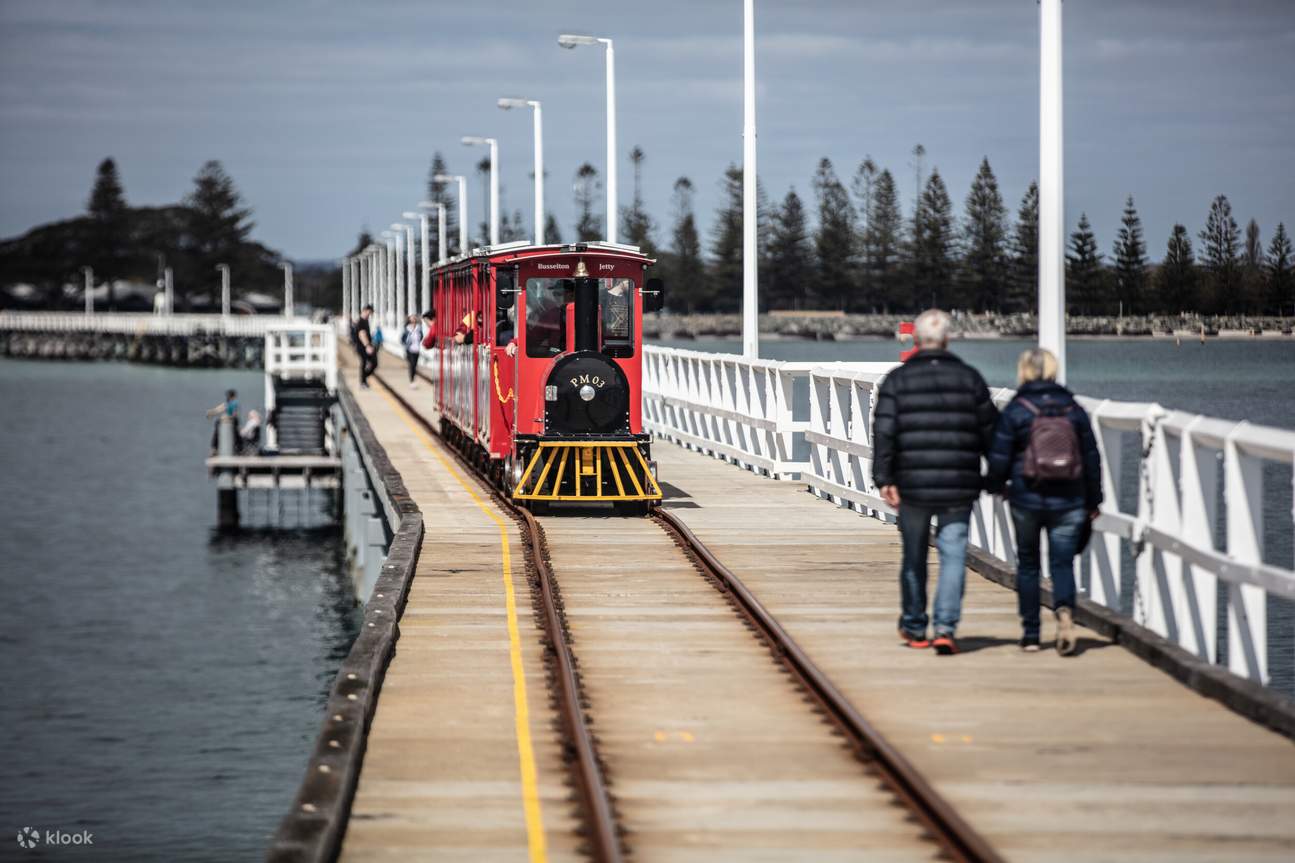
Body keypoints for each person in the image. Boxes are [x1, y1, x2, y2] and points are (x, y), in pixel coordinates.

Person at [872, 309, 999, 655]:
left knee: (913, 554)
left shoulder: (897, 381)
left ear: (916, 340)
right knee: (953, 552)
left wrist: (884, 477)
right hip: (959, 482)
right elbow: (993, 433)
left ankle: (915, 626)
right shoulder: (969, 378)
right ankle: (945, 627)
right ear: (947, 339)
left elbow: (884, 433)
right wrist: (998, 475)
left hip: (911, 484)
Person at [986, 348, 1102, 656]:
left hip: (1026, 497)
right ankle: (1064, 609)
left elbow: (1000, 455)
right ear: (1053, 371)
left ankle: (1032, 634)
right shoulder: (1072, 408)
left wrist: (996, 485)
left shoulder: (1017, 408)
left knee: (1028, 564)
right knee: (1062, 563)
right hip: (1070, 498)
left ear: (1023, 371)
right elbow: (1091, 457)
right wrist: (1094, 499)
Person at [354, 305, 377, 388]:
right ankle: (363, 381)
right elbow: (362, 334)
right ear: (365, 310)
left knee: (370, 363)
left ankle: (363, 379)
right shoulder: (361, 321)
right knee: (367, 363)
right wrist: (367, 346)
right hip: (362, 346)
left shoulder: (365, 321)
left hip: (364, 346)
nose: (370, 314)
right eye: (370, 312)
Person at [401, 314, 424, 388]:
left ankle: (413, 379)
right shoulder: (407, 329)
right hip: (409, 349)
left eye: (414, 320)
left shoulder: (419, 329)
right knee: (412, 364)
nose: (413, 322)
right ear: (409, 321)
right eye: (411, 320)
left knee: (415, 365)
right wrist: (407, 342)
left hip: (417, 349)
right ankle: (412, 381)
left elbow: (421, 337)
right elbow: (402, 339)